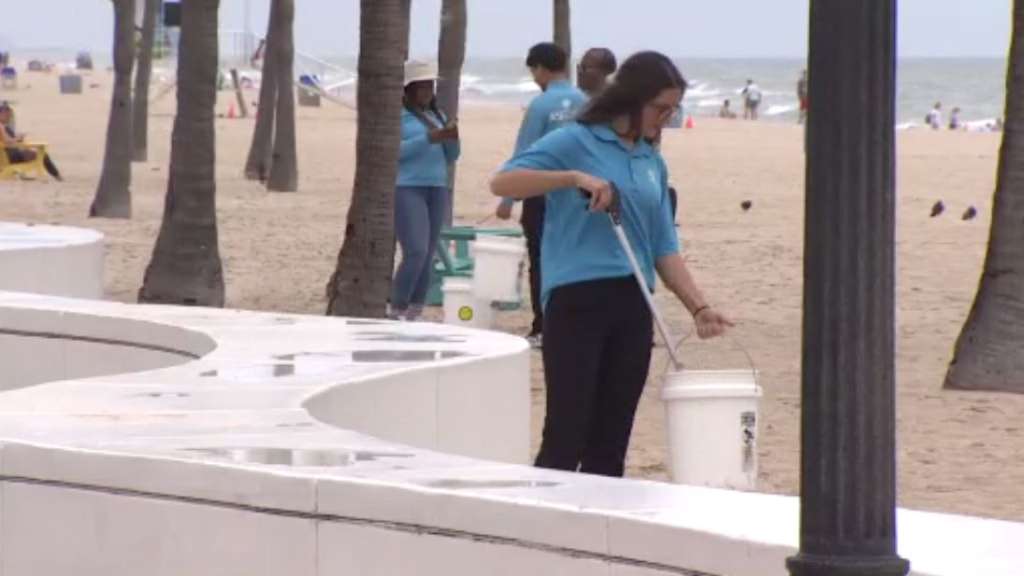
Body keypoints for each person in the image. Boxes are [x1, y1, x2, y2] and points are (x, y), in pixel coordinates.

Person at [491, 51, 732, 477]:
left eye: (673, 110)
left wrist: (699, 306)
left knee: (611, 440)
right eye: (660, 108)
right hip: (576, 297)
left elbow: (663, 247)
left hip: (634, 302)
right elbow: (504, 181)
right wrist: (572, 178)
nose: (666, 118)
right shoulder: (576, 140)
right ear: (632, 100)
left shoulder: (651, 161)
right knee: (566, 434)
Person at [495, 43, 588, 348]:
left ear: (540, 69)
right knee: (575, 256)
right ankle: (575, 323)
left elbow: (524, 151)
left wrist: (508, 200)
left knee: (541, 259)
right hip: (581, 192)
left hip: (541, 190)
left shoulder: (541, 105)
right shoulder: (585, 101)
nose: (535, 77)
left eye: (534, 70)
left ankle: (543, 326)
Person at [390, 61, 460, 321]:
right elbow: (395, 153)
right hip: (408, 186)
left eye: (429, 86)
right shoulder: (399, 116)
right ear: (408, 89)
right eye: (421, 87)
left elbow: (452, 156)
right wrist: (429, 138)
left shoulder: (437, 115)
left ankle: (415, 309)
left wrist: (452, 138)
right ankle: (397, 306)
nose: (427, 91)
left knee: (429, 253)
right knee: (416, 250)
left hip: (437, 186)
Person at [0, 101, 62, 181]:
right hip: (11, 156)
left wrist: (17, 139)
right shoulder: (1, 126)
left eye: (10, 115)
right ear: (1, 114)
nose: (9, 117)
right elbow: (7, 141)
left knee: (31, 152)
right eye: (7, 115)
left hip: (6, 155)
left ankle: (23, 175)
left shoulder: (4, 126)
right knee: (43, 155)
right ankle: (58, 176)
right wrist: (17, 139)